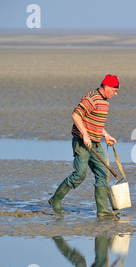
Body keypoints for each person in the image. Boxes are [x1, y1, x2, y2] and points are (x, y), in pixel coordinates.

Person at [49, 74, 120, 217]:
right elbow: (76, 115)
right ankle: (55, 199)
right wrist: (85, 135)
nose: (115, 93)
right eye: (114, 90)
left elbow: (95, 122)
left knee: (102, 172)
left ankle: (102, 210)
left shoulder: (105, 101)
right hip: (82, 142)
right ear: (106, 87)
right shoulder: (92, 98)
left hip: (95, 142)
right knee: (80, 175)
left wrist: (106, 135)